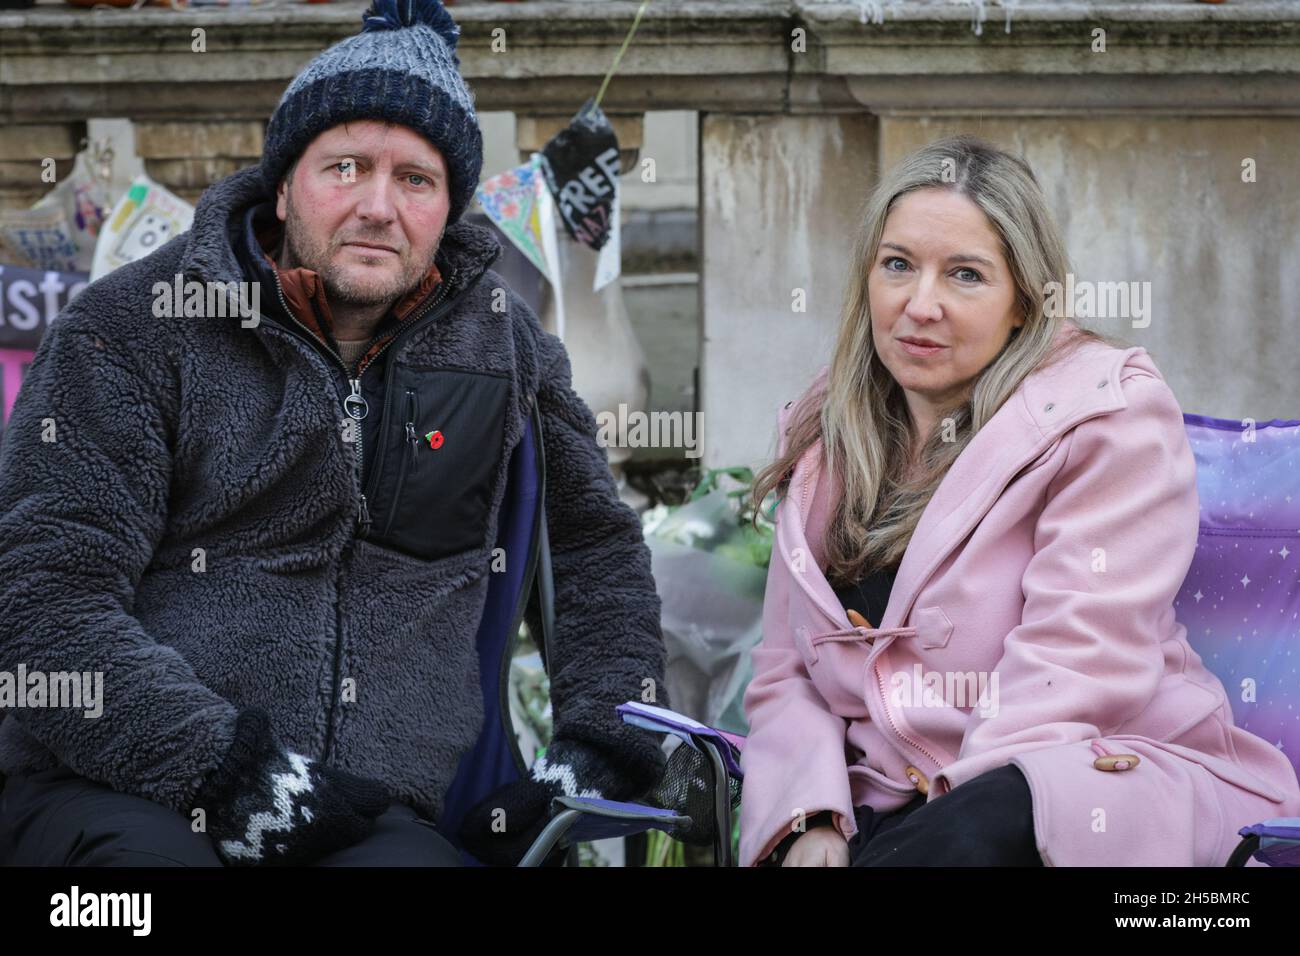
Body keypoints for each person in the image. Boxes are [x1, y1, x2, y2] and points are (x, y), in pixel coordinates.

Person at [0, 0, 667, 867]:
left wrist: (603, 750)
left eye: (415, 179)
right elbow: (44, 603)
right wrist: (229, 773)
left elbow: (594, 558)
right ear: (283, 184)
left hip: (368, 814)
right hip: (117, 783)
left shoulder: (506, 347)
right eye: (346, 167)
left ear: (451, 205)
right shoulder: (129, 326)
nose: (379, 207)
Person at [737, 134, 1300, 868]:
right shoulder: (826, 435)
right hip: (882, 809)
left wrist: (942, 825)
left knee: (978, 829)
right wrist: (809, 816)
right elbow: (786, 672)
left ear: (1023, 303)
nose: (921, 304)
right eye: (898, 265)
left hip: (1075, 781)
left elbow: (1077, 664)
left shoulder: (1105, 415)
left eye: (966, 275)